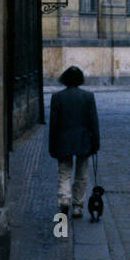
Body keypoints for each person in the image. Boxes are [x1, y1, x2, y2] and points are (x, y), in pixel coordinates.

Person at [48, 66, 100, 219]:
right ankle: (78, 206)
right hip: (83, 140)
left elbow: (53, 125)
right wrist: (96, 143)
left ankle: (64, 199)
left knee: (64, 173)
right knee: (82, 174)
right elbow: (94, 123)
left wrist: (52, 146)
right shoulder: (88, 97)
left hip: (63, 141)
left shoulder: (57, 97)